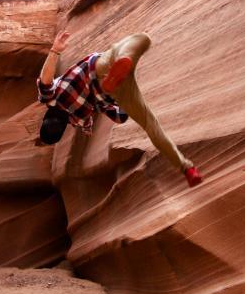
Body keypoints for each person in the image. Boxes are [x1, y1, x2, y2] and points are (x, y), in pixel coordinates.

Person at [36, 30, 203, 187]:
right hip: (98, 68)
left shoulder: (79, 119)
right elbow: (45, 79)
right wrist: (55, 51)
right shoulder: (51, 97)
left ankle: (186, 168)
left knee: (151, 125)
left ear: (64, 127)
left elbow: (98, 114)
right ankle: (123, 60)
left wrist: (120, 112)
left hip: (113, 92)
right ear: (46, 117)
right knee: (143, 39)